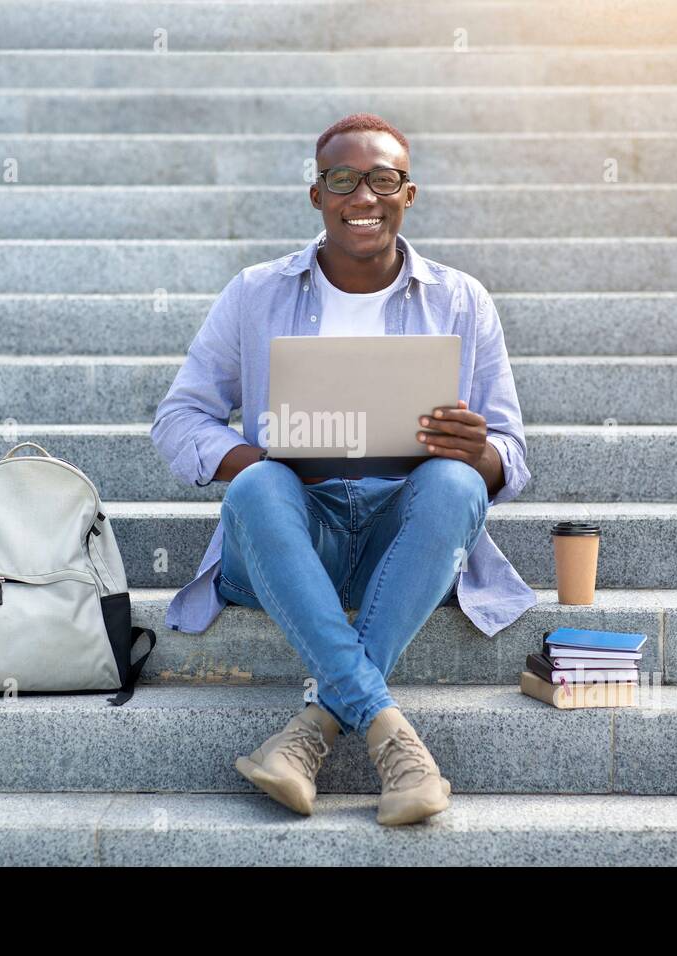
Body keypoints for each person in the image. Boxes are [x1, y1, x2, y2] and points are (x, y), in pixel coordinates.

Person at [150, 112, 536, 826]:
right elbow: (178, 420)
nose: (365, 196)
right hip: (291, 543)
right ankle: (394, 741)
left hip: (404, 542)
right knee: (261, 483)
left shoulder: (462, 300)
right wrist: (260, 460)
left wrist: (475, 450)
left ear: (408, 193)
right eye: (343, 179)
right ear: (317, 195)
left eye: (383, 178)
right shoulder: (254, 293)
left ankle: (310, 734)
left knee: (453, 481)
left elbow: (511, 455)